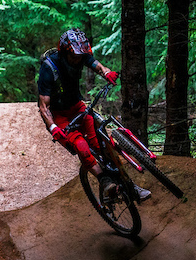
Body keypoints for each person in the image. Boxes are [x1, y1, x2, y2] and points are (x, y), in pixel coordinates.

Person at [37, 28, 150, 202]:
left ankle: (130, 186)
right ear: (65, 51)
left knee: (102, 142)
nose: (78, 60)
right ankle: (105, 182)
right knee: (81, 146)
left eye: (80, 55)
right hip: (60, 117)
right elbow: (43, 106)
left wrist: (106, 73)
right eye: (74, 56)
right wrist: (53, 127)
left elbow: (96, 65)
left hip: (78, 107)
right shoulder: (49, 68)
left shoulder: (80, 55)